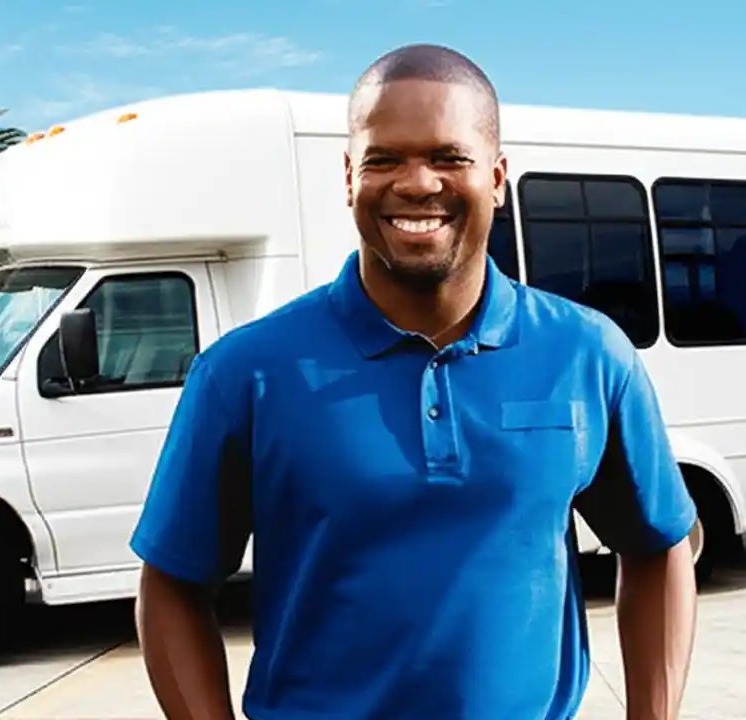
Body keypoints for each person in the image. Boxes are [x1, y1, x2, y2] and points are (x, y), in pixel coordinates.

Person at [129, 43, 699, 719]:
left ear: (497, 176)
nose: (417, 183)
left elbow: (659, 547)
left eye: (448, 157)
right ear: (348, 177)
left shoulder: (587, 353)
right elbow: (170, 584)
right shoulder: (245, 372)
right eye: (384, 159)